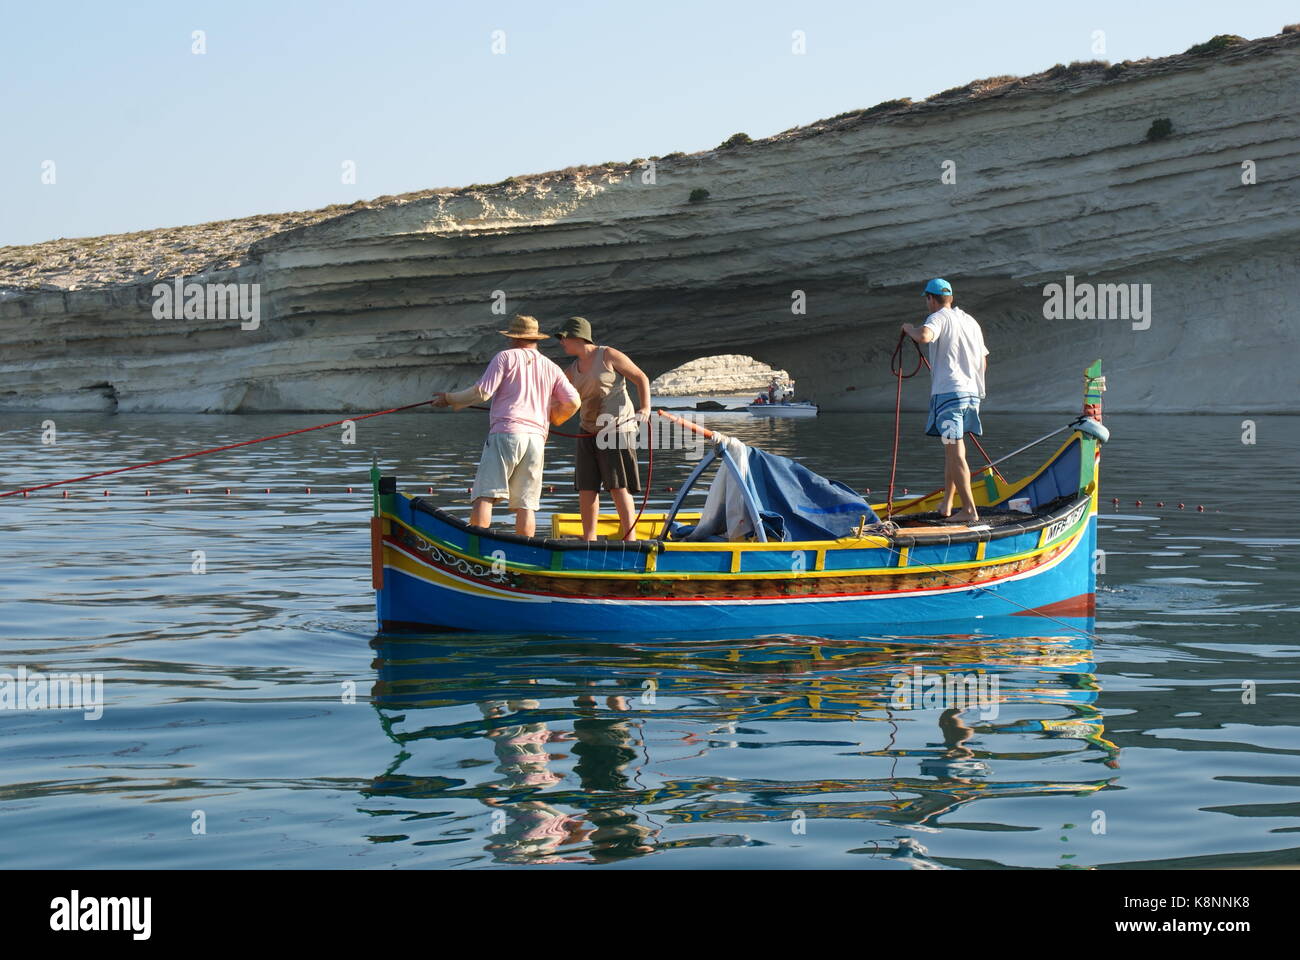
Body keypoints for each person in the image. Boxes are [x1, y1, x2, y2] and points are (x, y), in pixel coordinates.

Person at [433, 314, 580, 537]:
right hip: (536, 440)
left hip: (507, 433)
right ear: (535, 339)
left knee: (485, 494)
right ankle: (525, 552)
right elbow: (573, 401)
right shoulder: (551, 367)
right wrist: (553, 418)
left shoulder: (505, 357)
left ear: (514, 338)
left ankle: (476, 548)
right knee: (526, 504)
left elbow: (482, 392)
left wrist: (449, 399)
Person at [901, 278, 989, 523]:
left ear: (931, 299)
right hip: (972, 394)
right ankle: (948, 503)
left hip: (949, 394)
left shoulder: (938, 317)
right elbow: (983, 360)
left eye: (927, 299)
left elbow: (925, 336)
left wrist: (909, 329)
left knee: (955, 451)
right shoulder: (971, 321)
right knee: (953, 450)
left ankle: (969, 510)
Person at [556, 317, 651, 541]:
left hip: (617, 428)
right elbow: (555, 398)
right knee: (586, 487)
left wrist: (645, 408)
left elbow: (641, 378)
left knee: (618, 485)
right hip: (587, 430)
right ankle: (589, 538)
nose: (561, 342)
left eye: (564, 338)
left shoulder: (608, 355)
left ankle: (630, 537)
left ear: (578, 337)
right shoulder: (571, 371)